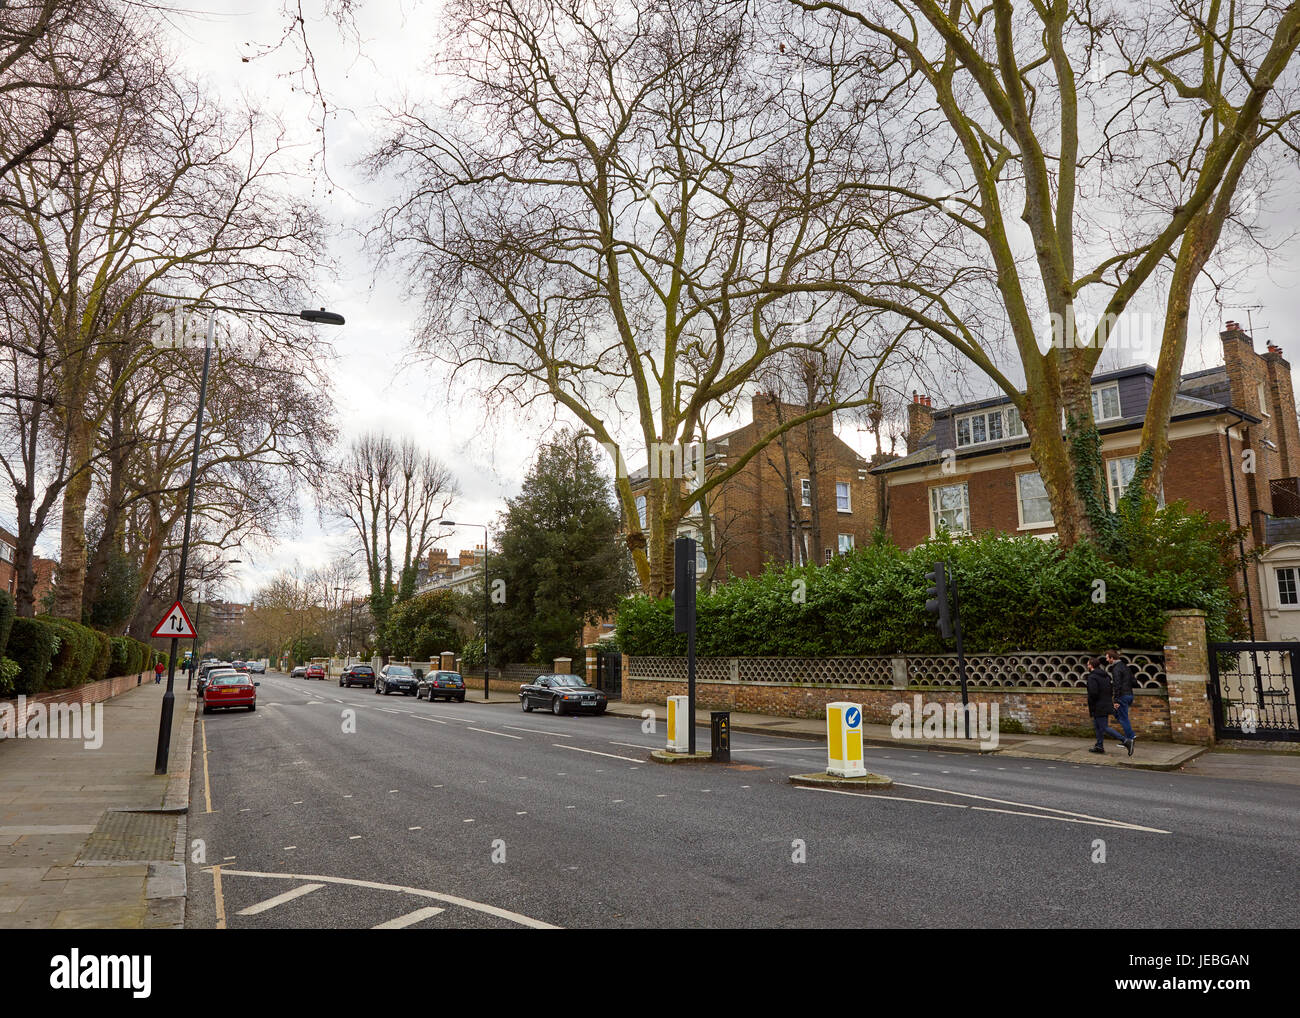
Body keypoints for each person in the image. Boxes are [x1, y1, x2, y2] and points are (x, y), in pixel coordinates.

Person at [1085, 656, 1133, 756]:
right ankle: (1099, 746)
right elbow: (1110, 690)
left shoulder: (1092, 677)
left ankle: (1126, 741)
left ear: (1091, 665)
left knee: (1103, 727)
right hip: (1106, 704)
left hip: (1098, 705)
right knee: (1097, 726)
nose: (1087, 665)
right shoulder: (1106, 676)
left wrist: (1092, 702)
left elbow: (1093, 693)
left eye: (1088, 664)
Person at [1106, 648, 1136, 749]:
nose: (1106, 660)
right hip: (1129, 695)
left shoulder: (1116, 668)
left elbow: (1117, 684)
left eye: (1107, 658)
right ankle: (1129, 736)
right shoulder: (1125, 666)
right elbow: (1134, 681)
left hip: (1122, 696)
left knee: (1123, 718)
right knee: (1119, 715)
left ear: (1112, 658)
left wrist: (1116, 699)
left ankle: (1130, 738)